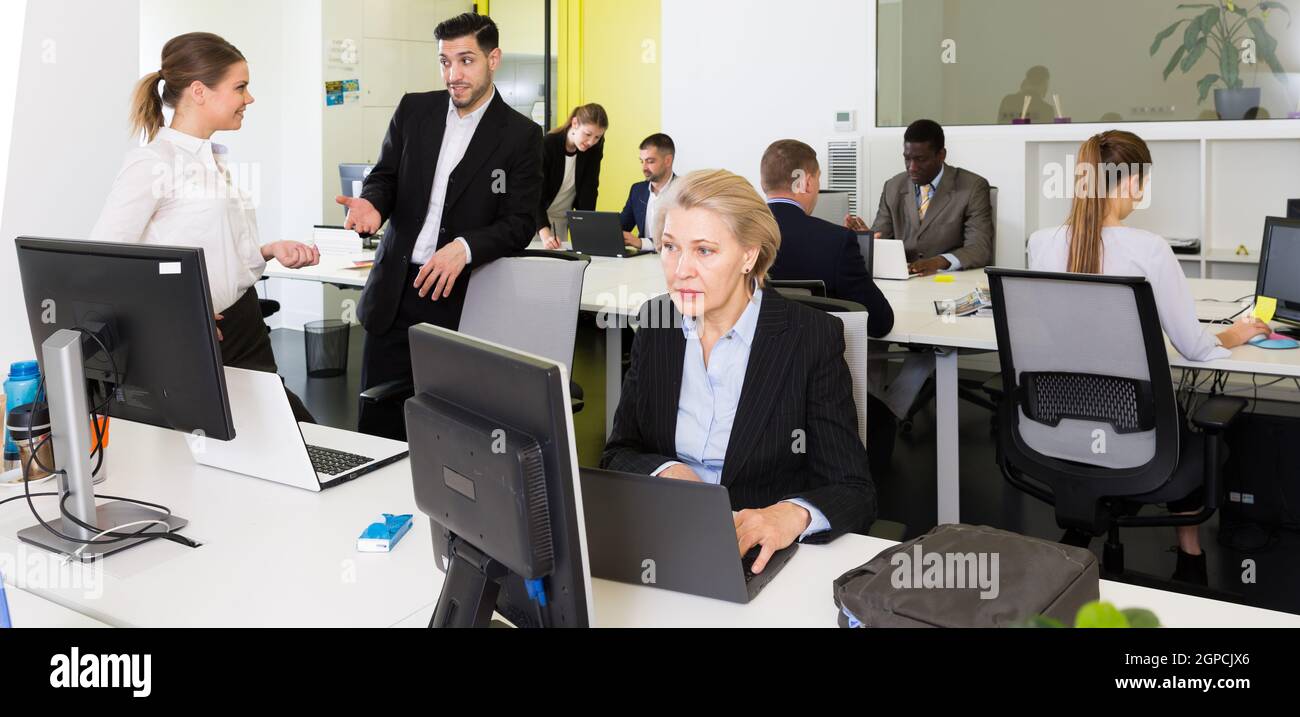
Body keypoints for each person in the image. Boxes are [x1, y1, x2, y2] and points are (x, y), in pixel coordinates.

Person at [601, 169, 876, 574]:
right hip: (666, 541)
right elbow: (618, 453)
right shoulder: (657, 321)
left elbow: (854, 490)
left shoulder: (809, 338)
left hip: (760, 559)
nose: (680, 270)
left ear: (749, 255)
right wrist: (668, 471)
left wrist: (791, 514)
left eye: (705, 251)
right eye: (670, 247)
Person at [1027, 129, 1270, 585]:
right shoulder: (1150, 250)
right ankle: (1191, 558)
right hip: (1136, 429)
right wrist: (1236, 333)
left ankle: (1081, 527)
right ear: (1132, 182)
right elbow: (1194, 347)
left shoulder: (1041, 243)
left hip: (1060, 425)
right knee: (1194, 437)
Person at [91, 31, 318, 422]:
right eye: (240, 87)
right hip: (193, 332)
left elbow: (206, 243)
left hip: (244, 323)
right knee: (268, 437)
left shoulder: (212, 158)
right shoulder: (152, 163)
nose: (249, 99)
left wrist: (267, 249)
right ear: (199, 91)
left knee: (283, 439)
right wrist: (174, 310)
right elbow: (105, 261)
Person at [337, 13, 543, 440]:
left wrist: (465, 247)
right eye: (445, 62)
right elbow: (385, 175)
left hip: (459, 300)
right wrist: (374, 205)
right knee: (377, 426)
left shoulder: (521, 136)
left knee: (447, 432)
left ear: (494, 59)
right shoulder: (415, 109)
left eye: (466, 60)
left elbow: (520, 222)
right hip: (394, 292)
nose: (454, 74)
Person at [761, 139, 895, 338]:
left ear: (764, 183)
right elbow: (880, 322)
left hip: (753, 361)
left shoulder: (735, 236)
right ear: (806, 183)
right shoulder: (836, 241)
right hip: (816, 360)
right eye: (817, 180)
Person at [846, 118, 993, 274]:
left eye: (921, 159)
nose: (912, 168)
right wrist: (869, 240)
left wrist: (938, 262)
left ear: (941, 155)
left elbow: (979, 249)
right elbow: (883, 237)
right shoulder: (893, 187)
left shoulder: (972, 187)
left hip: (949, 281)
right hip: (904, 279)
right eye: (907, 158)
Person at [538, 103, 608, 250]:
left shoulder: (594, 148)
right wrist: (545, 233)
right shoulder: (548, 144)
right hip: (535, 218)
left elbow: (589, 190)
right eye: (588, 134)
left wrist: (586, 232)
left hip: (561, 219)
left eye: (597, 137)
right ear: (575, 123)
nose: (591, 142)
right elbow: (533, 194)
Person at [618, 133, 677, 254]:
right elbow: (622, 226)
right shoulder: (637, 190)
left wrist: (641, 242)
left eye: (650, 161)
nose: (644, 167)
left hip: (673, 260)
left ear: (668, 161)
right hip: (642, 262)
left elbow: (680, 237)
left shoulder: (684, 191)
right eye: (642, 161)